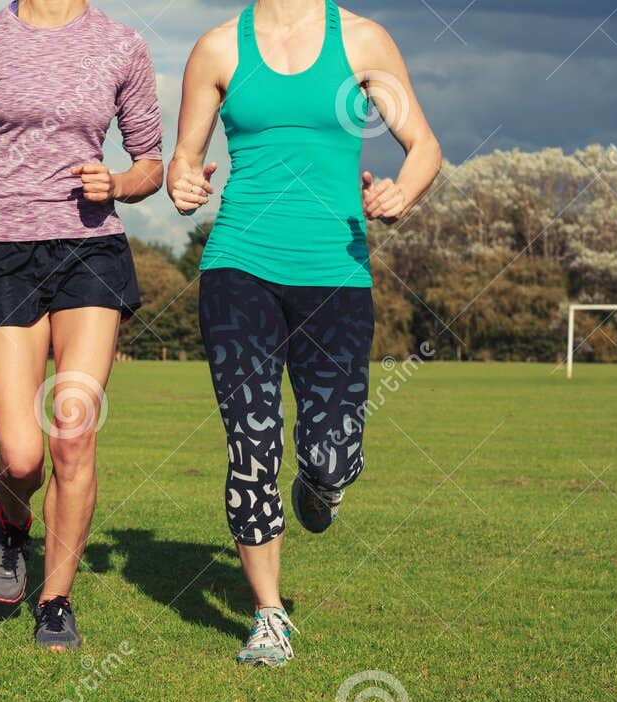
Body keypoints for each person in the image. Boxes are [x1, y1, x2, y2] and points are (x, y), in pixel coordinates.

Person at [168, 0, 440, 666]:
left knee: (331, 452)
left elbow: (425, 146)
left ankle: (324, 481)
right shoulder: (217, 49)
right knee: (251, 442)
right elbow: (184, 163)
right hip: (240, 267)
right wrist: (181, 186)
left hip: (335, 274)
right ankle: (268, 615)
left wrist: (403, 191)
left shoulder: (365, 41)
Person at [0, 0, 162, 651]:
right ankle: (11, 517)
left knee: (73, 433)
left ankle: (56, 601)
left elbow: (152, 162)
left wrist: (117, 182)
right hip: (6, 253)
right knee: (22, 456)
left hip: (91, 251)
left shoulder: (121, 45)